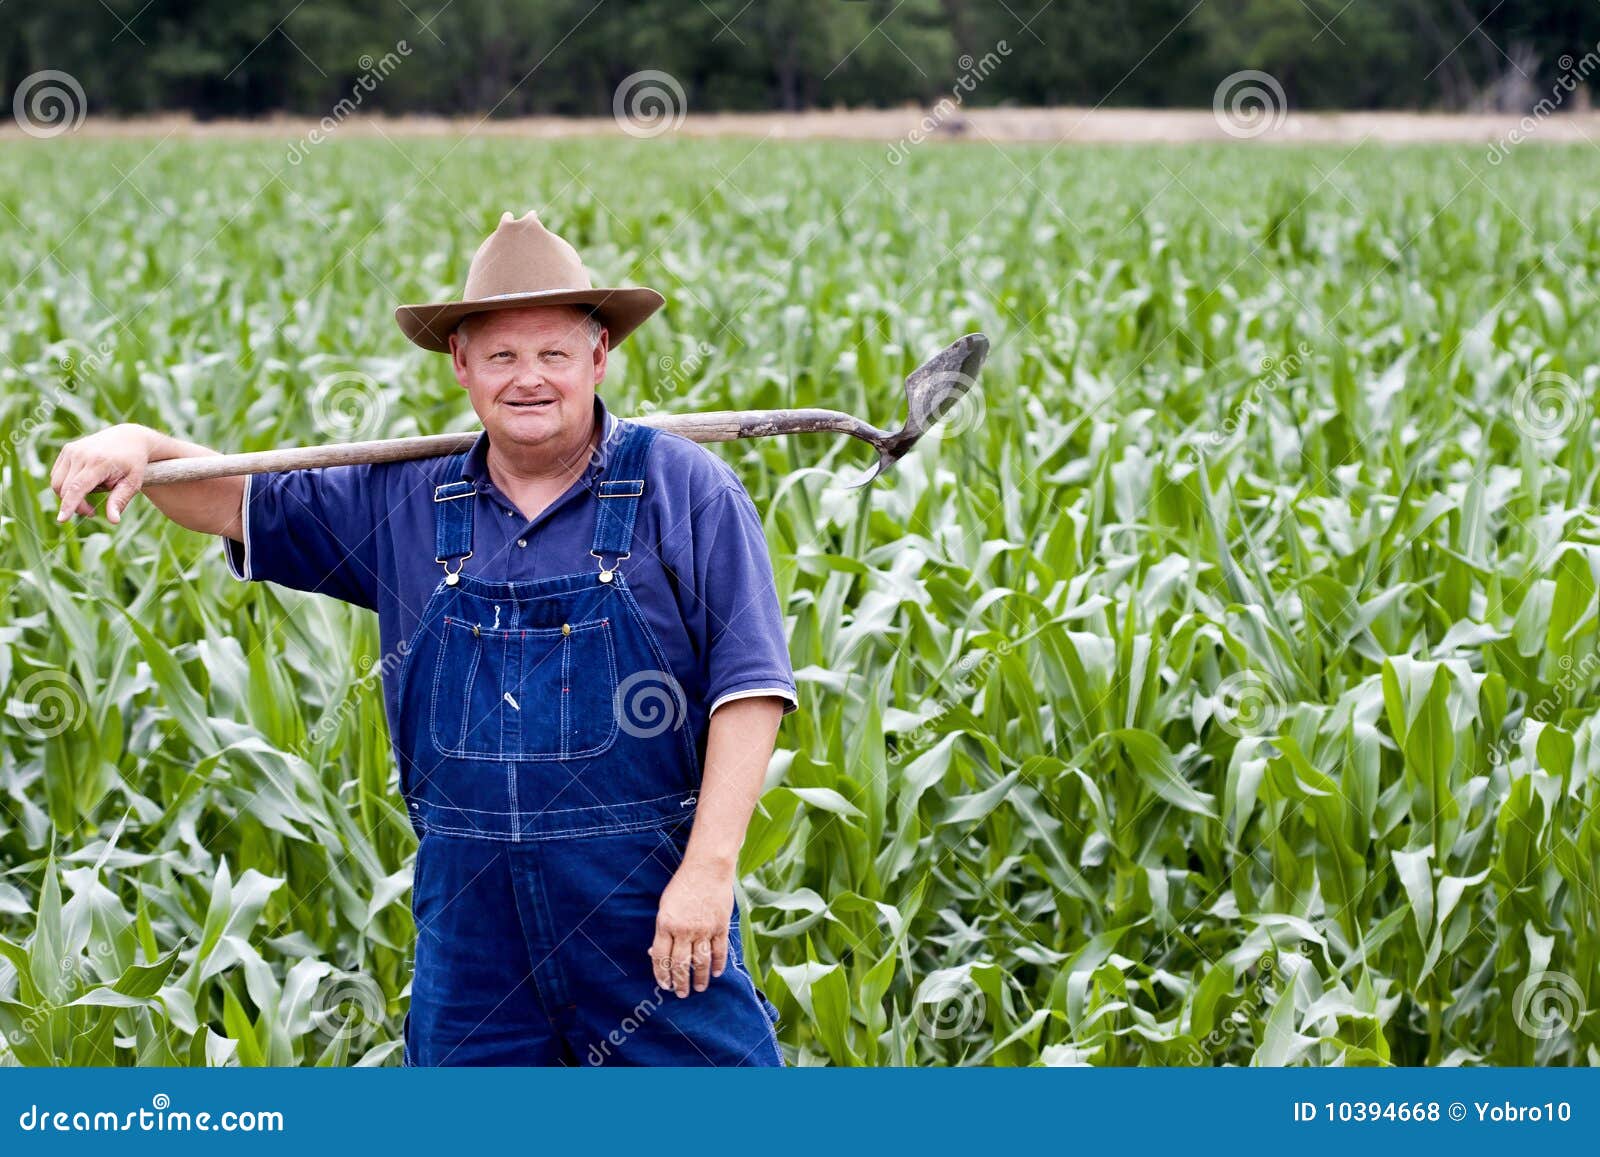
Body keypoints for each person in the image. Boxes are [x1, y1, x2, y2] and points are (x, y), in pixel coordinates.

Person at [50, 210, 797, 1066]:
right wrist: (138, 445)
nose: (529, 379)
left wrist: (707, 873)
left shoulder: (684, 489)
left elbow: (751, 687)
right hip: (472, 935)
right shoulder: (403, 499)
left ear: (598, 357)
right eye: (502, 356)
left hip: (649, 912)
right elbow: (230, 498)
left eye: (553, 353)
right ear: (461, 366)